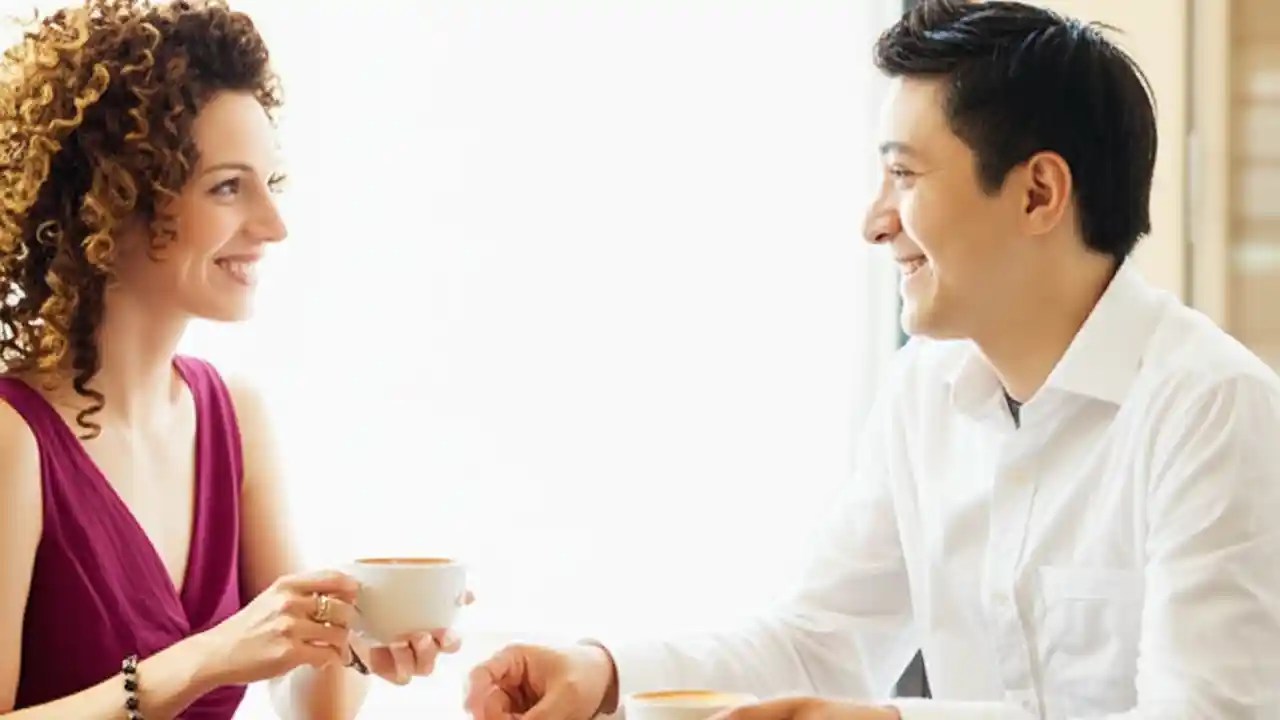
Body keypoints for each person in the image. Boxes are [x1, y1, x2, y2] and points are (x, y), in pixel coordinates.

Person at [464, 1, 1280, 718]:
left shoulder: (1214, 408)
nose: (875, 221)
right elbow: (819, 642)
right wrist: (603, 674)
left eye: (903, 175)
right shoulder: (926, 393)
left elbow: (1207, 714)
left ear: (1038, 194)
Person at [0, 1, 463, 717]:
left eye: (268, 185)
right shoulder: (14, 439)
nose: (273, 227)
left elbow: (317, 707)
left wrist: (355, 637)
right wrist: (207, 656)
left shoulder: (232, 413)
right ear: (112, 200)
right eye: (226, 187)